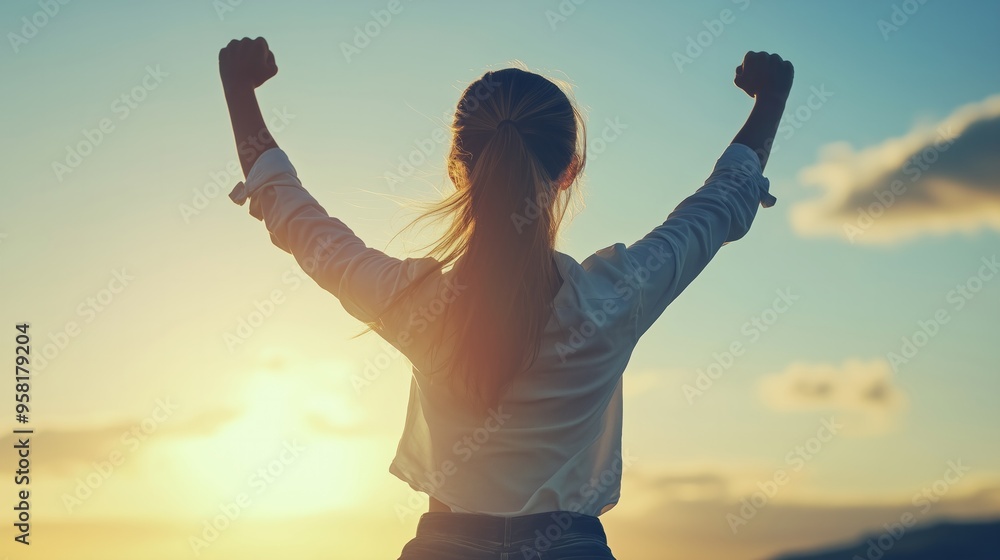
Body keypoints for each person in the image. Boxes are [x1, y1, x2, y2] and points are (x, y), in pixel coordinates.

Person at [219, 37, 792, 560]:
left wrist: (239, 90)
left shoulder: (415, 305)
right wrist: (770, 99)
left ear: (458, 168)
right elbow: (721, 204)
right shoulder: (614, 296)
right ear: (571, 170)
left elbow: (294, 215)